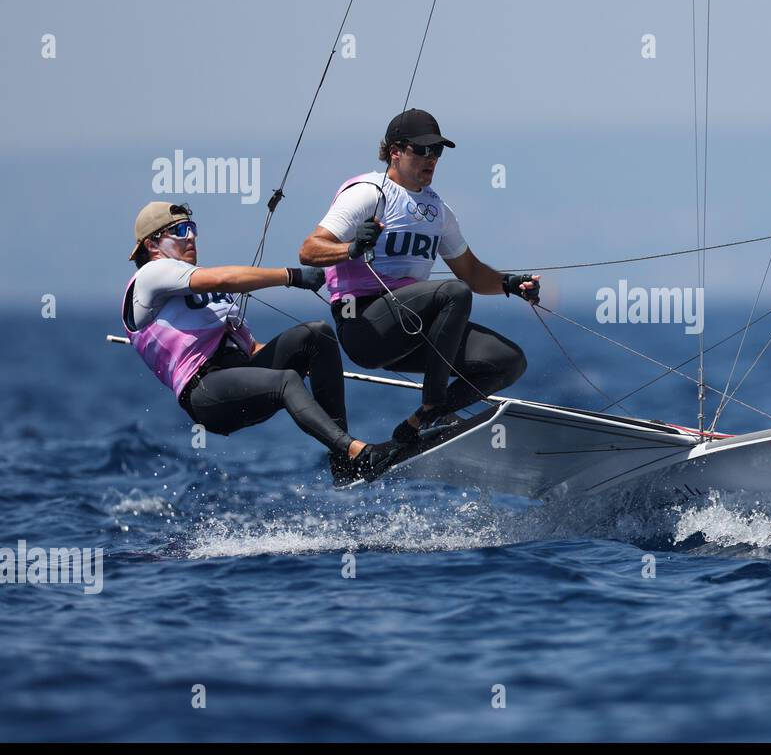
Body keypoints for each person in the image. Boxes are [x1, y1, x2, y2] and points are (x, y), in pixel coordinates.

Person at [299, 109, 539, 444]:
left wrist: (509, 284)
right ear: (395, 151)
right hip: (364, 326)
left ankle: (417, 425)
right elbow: (309, 250)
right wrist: (351, 248)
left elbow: (471, 273)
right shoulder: (368, 193)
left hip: (413, 328)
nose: (431, 158)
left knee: (509, 362)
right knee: (453, 293)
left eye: (436, 151)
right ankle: (432, 406)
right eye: (422, 149)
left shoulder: (438, 212)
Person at [122, 201, 402, 485]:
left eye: (192, 228)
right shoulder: (149, 276)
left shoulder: (203, 291)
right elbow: (221, 278)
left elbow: (252, 349)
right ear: (152, 245)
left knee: (317, 334)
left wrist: (312, 364)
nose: (191, 237)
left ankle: (343, 462)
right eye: (180, 231)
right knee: (287, 380)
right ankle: (356, 452)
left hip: (242, 377)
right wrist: (291, 276)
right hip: (206, 395)